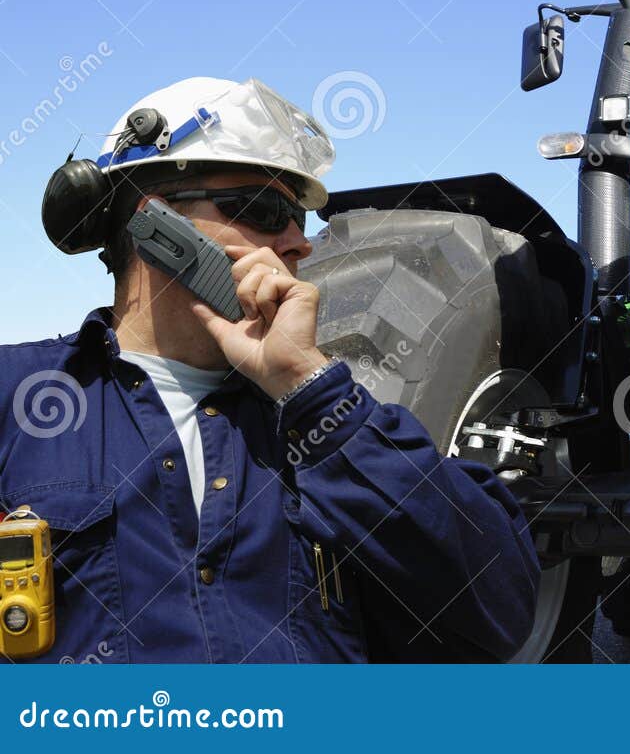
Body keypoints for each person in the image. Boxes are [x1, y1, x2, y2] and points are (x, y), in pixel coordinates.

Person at [0, 77, 540, 662]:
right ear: (156, 224)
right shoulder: (20, 398)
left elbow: (499, 611)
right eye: (261, 209)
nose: (298, 243)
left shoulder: (335, 422)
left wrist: (306, 388)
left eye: (299, 220)